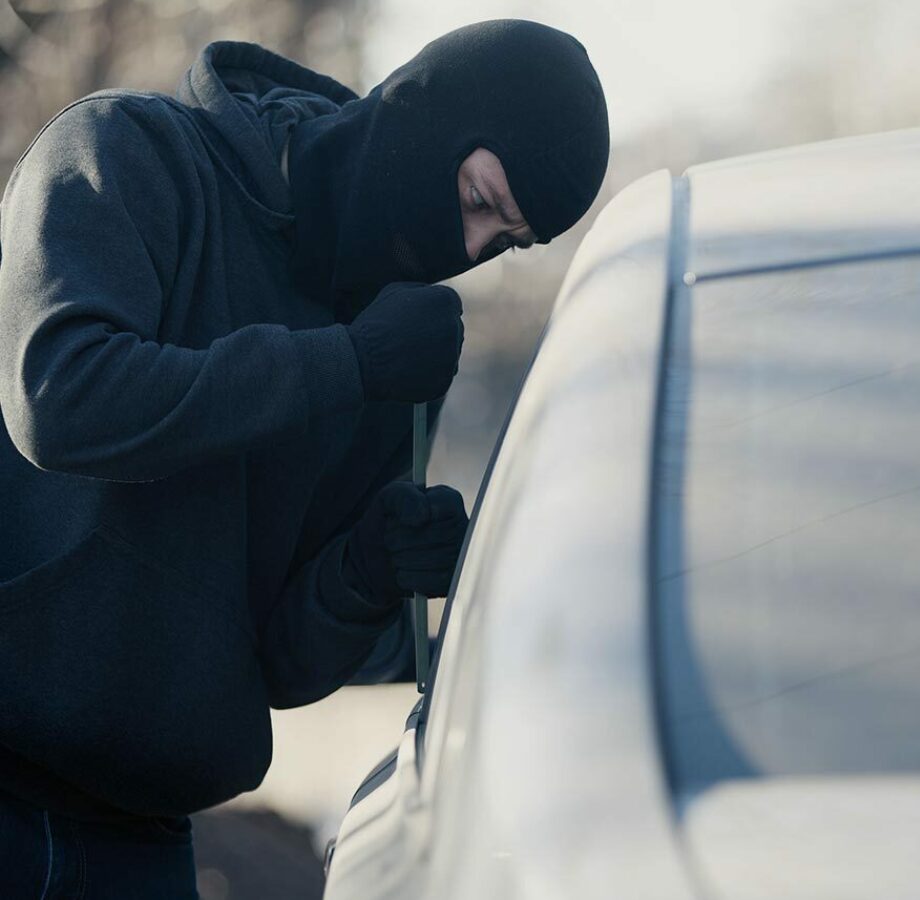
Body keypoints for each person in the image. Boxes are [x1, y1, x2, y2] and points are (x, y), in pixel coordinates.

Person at [0, 18, 609, 897]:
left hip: (143, 844)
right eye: (480, 201)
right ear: (420, 110)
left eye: (507, 242)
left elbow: (278, 665)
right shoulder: (130, 152)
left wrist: (367, 572)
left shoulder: (391, 351)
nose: (473, 251)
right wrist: (340, 366)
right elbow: (62, 400)